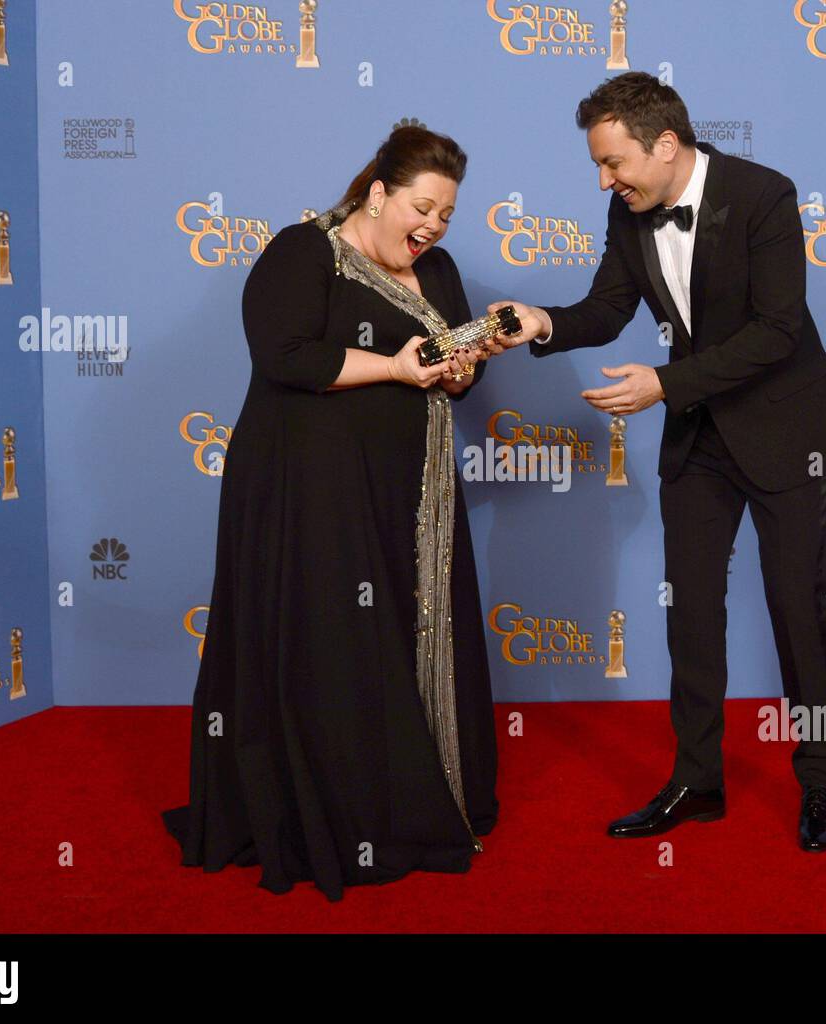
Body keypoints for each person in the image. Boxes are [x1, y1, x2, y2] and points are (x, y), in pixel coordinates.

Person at [490, 73, 826, 852]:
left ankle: (820, 782)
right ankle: (698, 780)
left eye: (613, 162)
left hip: (788, 435)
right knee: (690, 613)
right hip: (701, 439)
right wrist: (543, 321)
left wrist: (664, 383)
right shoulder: (629, 211)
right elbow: (608, 308)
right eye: (598, 165)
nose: (603, 179)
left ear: (665, 144)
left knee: (797, 610)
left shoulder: (763, 195)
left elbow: (777, 331)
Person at [162, 124, 505, 901]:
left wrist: (460, 368)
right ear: (377, 194)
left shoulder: (439, 270)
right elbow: (283, 356)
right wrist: (393, 364)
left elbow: (452, 374)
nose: (434, 228)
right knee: (334, 643)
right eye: (423, 207)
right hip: (310, 493)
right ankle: (339, 810)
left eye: (447, 214)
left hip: (412, 494)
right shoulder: (302, 251)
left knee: (410, 632)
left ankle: (423, 795)